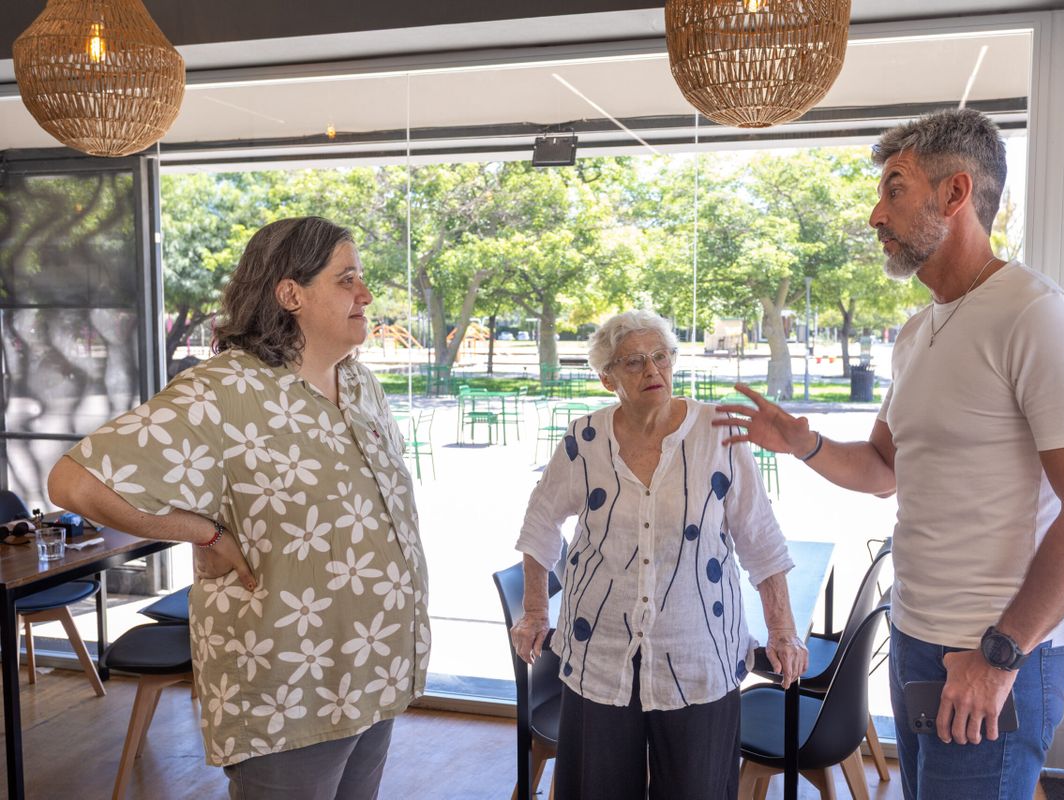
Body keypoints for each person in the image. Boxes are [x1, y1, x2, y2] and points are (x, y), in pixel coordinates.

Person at [715, 109, 1064, 800]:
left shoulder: (1040, 318)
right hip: (918, 639)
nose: (876, 214)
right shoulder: (916, 333)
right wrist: (803, 443)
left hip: (994, 649)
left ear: (955, 194)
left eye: (895, 189)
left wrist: (999, 658)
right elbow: (884, 470)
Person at [48, 216, 429, 799]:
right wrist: (202, 533)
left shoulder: (358, 384)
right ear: (290, 293)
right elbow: (76, 483)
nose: (366, 294)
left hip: (374, 669)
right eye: (346, 279)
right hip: (289, 687)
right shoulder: (224, 390)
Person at [512, 309, 807, 800]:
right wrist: (536, 611)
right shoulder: (583, 440)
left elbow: (758, 535)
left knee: (698, 790)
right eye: (634, 362)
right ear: (607, 378)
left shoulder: (719, 431)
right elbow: (540, 522)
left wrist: (783, 630)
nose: (653, 371)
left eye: (661, 357)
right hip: (599, 654)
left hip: (699, 651)